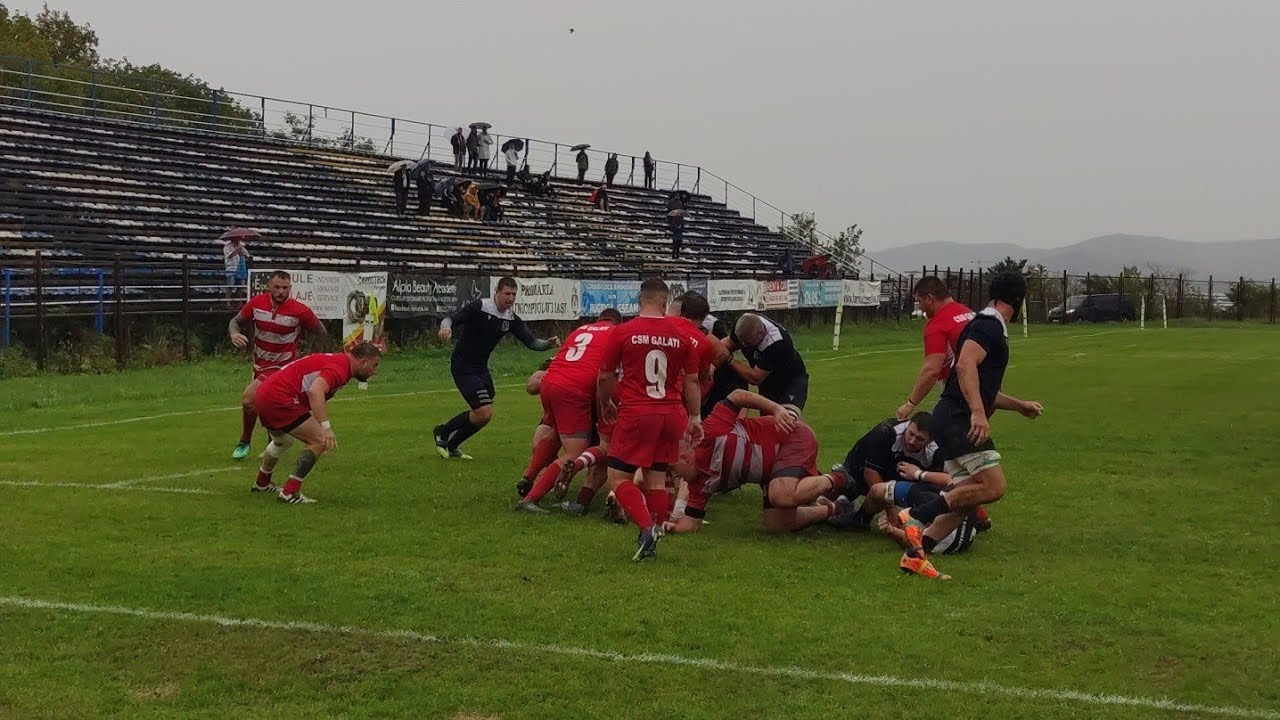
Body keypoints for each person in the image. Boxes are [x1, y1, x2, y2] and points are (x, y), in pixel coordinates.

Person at [896, 273, 1044, 580]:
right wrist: (977, 413)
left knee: (965, 501)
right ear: (1018, 301)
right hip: (958, 421)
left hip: (952, 419)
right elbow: (964, 367)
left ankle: (917, 554)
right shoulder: (987, 325)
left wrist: (1020, 406)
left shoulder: (989, 326)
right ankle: (915, 516)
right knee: (993, 487)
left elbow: (981, 386)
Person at [596, 278, 702, 560]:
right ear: (666, 303)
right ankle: (653, 535)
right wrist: (695, 417)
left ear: (639, 301)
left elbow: (606, 375)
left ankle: (646, 529)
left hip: (637, 412)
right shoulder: (681, 334)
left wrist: (605, 402)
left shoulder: (622, 332)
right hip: (670, 414)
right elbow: (692, 381)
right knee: (656, 479)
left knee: (618, 478)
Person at [664, 390, 839, 535]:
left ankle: (840, 478)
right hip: (772, 474)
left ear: (685, 458)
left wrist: (776, 409)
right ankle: (836, 509)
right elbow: (691, 524)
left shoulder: (709, 434)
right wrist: (670, 528)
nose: (675, 475)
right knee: (775, 523)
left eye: (673, 469)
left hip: (792, 438)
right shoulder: (699, 485)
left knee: (781, 495)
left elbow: (738, 395)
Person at [433, 278, 560, 459]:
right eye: (507, 293)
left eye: (514, 294)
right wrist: (445, 328)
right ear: (497, 292)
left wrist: (547, 344)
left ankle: (453, 445)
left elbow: (532, 342)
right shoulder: (480, 307)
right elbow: (450, 319)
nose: (510, 298)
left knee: (484, 413)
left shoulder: (510, 318)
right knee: (484, 411)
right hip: (463, 365)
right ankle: (442, 432)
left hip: (481, 368)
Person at [516, 309, 624, 512]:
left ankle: (529, 476)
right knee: (576, 451)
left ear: (599, 320)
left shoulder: (580, 329)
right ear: (618, 322)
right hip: (576, 389)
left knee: (557, 432)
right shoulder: (616, 333)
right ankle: (531, 499)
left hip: (549, 383)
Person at [251, 342, 382, 504]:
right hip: (279, 398)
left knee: (282, 440)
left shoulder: (338, 362)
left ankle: (262, 483)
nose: (375, 371)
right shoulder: (340, 368)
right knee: (320, 440)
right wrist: (325, 428)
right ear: (363, 362)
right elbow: (315, 391)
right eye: (374, 365)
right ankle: (289, 493)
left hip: (265, 394)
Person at [228, 271, 325, 460]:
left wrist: (310, 358)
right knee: (264, 405)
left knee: (249, 399)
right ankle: (274, 443)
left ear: (290, 288)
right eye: (277, 287)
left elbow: (321, 331)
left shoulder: (299, 310)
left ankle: (244, 441)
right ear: (269, 287)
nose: (281, 292)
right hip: (260, 366)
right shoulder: (257, 303)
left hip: (282, 368)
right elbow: (235, 321)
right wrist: (234, 334)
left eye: (285, 288)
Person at [896, 276, 976, 420]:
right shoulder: (969, 313)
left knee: (943, 431)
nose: (919, 306)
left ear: (929, 298)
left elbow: (931, 370)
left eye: (919, 301)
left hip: (960, 391)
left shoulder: (938, 324)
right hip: (985, 385)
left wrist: (910, 403)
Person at [723, 313, 810, 409]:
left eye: (748, 341)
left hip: (790, 381)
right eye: (741, 341)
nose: (743, 345)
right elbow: (729, 344)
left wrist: (728, 360)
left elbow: (755, 378)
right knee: (766, 421)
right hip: (767, 383)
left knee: (787, 419)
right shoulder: (744, 324)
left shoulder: (777, 343)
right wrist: (712, 362)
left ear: (761, 332)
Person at [222, 235, 249, 301]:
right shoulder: (227, 247)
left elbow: (247, 255)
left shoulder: (242, 246)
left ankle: (239, 302)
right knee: (230, 286)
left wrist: (242, 253)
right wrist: (237, 250)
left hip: (241, 268)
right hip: (231, 268)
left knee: (241, 286)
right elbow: (229, 255)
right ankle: (227, 302)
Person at [667, 191, 688, 258]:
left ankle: (677, 254)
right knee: (675, 243)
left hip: (679, 232)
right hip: (675, 229)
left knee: (679, 244)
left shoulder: (680, 203)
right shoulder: (671, 202)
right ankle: (674, 254)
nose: (677, 197)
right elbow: (668, 206)